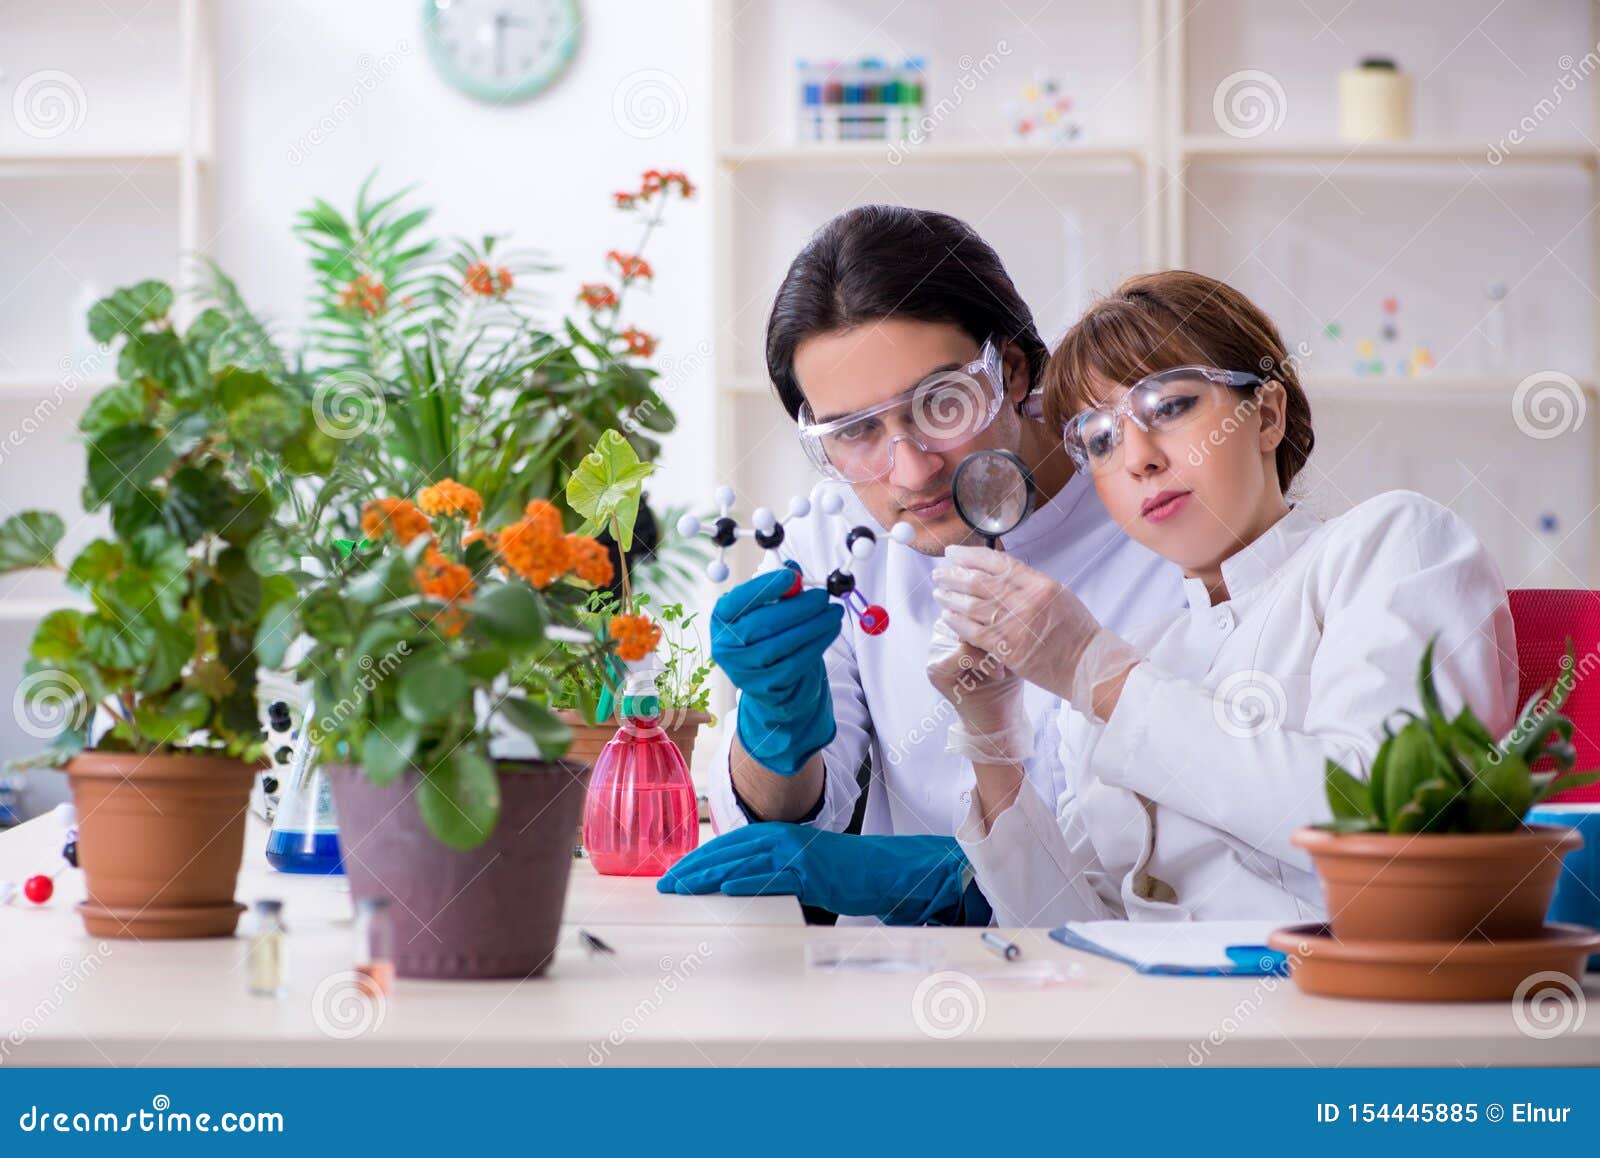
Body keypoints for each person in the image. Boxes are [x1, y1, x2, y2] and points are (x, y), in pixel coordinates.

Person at [927, 270, 1519, 926]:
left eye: (1170, 408)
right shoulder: (1138, 656)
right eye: (1101, 440)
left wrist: (1098, 675)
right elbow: (1067, 934)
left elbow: (1388, 832)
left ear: (1266, 415)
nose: (1139, 459)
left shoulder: (1391, 544)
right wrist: (990, 735)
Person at [658, 206, 1184, 923]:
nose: (910, 470)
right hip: (897, 986)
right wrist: (772, 727)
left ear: (1014, 370)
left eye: (943, 403)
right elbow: (777, 828)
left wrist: (966, 879)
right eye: (855, 432)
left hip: (1120, 984)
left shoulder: (1156, 518)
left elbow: (1188, 854)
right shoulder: (834, 540)